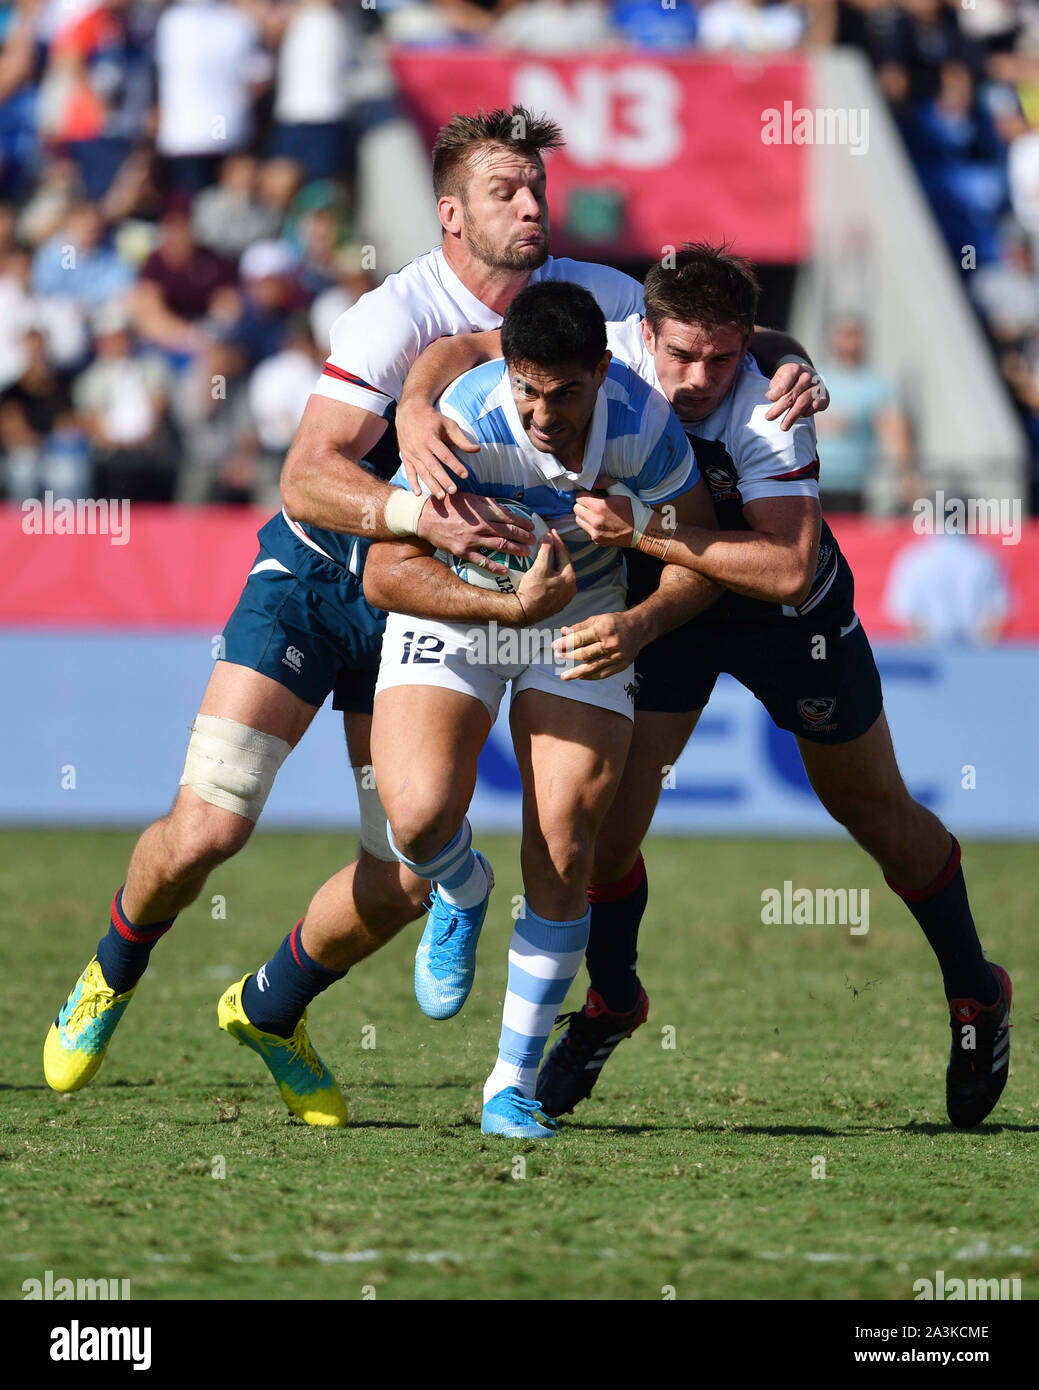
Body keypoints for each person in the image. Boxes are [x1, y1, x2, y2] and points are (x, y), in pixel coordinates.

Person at [43, 106, 821, 1125]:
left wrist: (791, 361)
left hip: (460, 593)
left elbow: (699, 339)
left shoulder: (596, 297)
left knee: (407, 870)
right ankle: (111, 971)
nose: (534, 204)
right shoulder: (386, 314)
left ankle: (274, 1007)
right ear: (450, 212)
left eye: (539, 186)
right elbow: (305, 478)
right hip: (333, 577)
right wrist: (417, 463)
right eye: (508, 189)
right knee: (209, 825)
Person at [543, 246, 1011, 1130]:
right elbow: (478, 351)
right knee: (605, 820)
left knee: (873, 813)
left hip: (783, 617)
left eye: (723, 358)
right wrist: (416, 411)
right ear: (643, 336)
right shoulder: (600, 353)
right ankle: (611, 1000)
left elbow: (790, 568)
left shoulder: (769, 405)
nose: (699, 378)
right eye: (680, 355)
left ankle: (974, 991)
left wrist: (642, 526)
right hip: (669, 607)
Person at [364, 280, 719, 1139]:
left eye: (563, 392)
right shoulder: (464, 419)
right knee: (413, 819)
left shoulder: (644, 425)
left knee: (565, 840)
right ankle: (461, 885)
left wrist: (639, 622)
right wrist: (502, 606)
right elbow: (381, 573)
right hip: (459, 602)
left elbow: (701, 555)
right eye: (527, 387)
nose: (542, 412)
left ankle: (508, 1086)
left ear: (602, 371)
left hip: (581, 621)